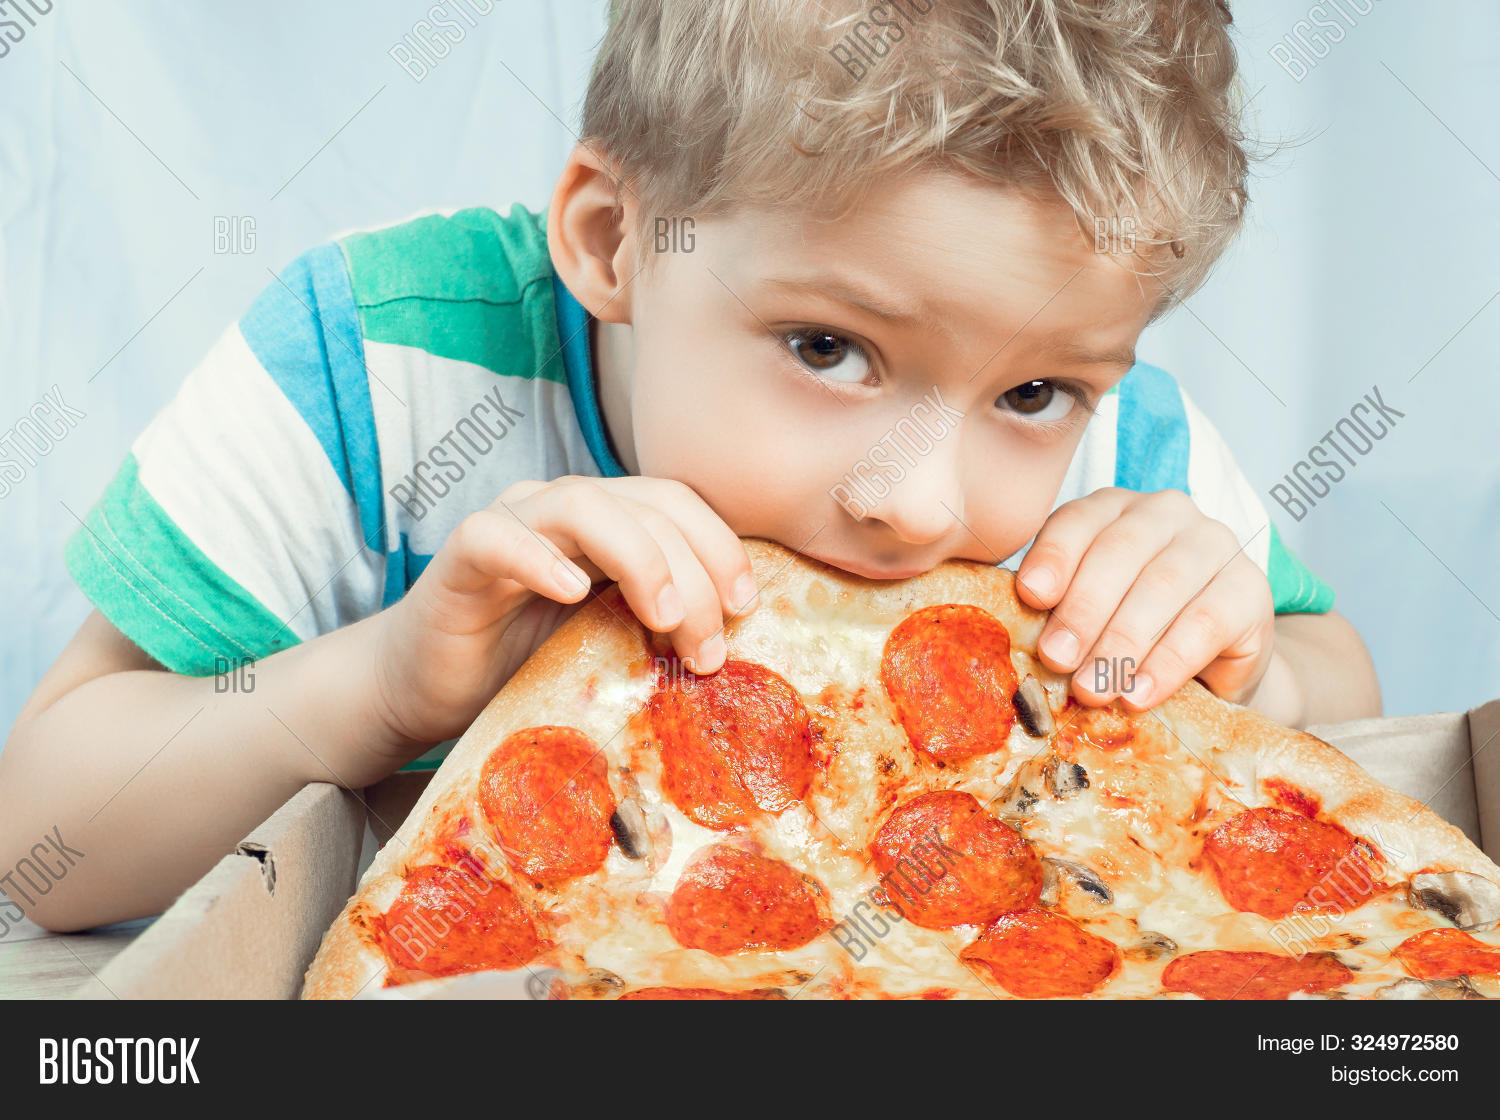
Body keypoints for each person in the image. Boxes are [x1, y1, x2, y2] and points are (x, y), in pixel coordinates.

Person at [0, 0, 1380, 932]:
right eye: (830, 349)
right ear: (615, 242)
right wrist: (380, 687)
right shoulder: (371, 367)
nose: (921, 505)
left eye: (1031, 393)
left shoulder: (1124, 450)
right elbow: (44, 841)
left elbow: (1345, 686)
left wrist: (1252, 669)